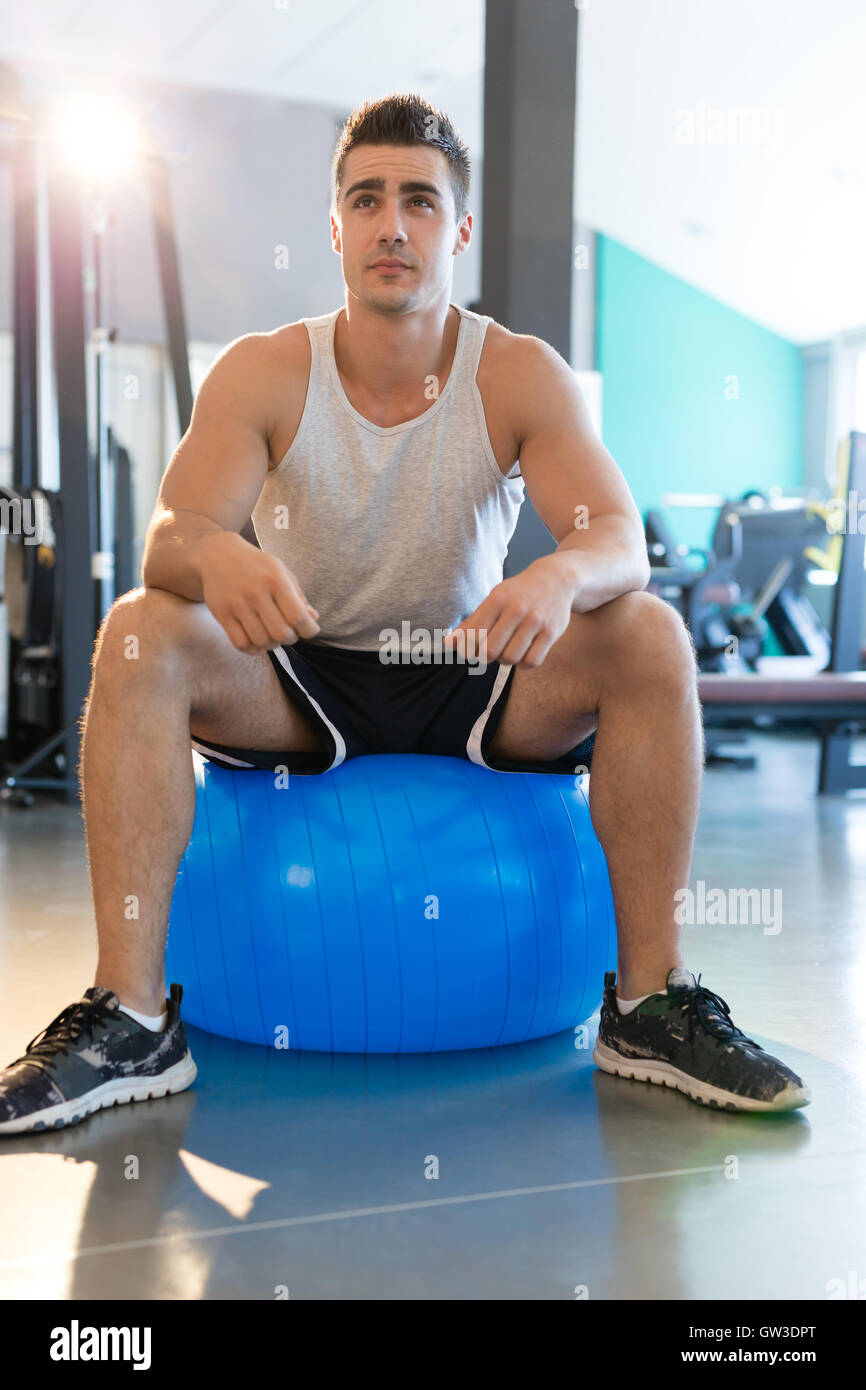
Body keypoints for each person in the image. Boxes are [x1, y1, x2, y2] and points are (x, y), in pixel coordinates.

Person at [0, 94, 809, 1135]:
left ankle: (649, 1001)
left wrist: (557, 577)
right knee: (142, 628)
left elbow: (613, 534)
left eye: (419, 201)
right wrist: (214, 555)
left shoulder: (514, 371)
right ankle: (133, 1017)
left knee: (645, 631)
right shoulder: (265, 369)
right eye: (367, 198)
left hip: (474, 673)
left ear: (456, 230)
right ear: (335, 226)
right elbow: (172, 533)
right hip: (298, 676)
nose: (392, 224)